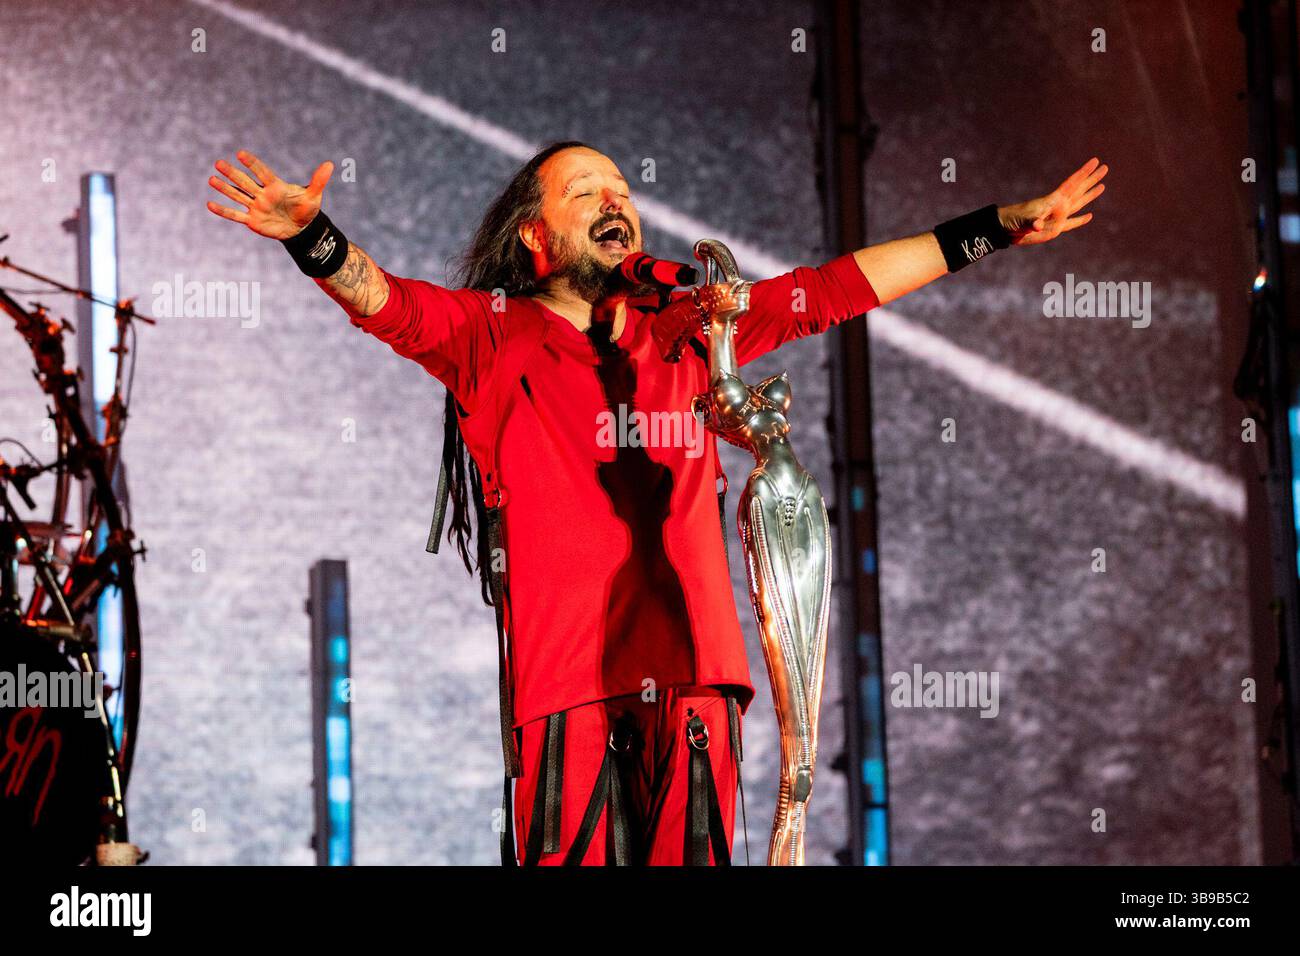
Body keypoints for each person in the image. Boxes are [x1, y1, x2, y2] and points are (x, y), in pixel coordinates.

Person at [206, 141, 1106, 865]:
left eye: (623, 188)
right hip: (567, 692)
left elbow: (836, 288)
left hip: (695, 675)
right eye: (585, 190)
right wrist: (309, 235)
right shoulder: (489, 336)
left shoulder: (690, 330)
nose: (615, 200)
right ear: (534, 237)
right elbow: (384, 300)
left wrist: (995, 226)